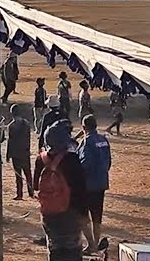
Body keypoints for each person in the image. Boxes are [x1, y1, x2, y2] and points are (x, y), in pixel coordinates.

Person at [35, 120, 88, 261]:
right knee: (72, 251)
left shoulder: (40, 159)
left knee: (55, 249)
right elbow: (81, 189)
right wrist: (83, 214)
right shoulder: (72, 159)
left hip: (48, 213)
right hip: (70, 212)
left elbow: (35, 186)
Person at [77, 114, 111, 254]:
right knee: (97, 216)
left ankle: (91, 244)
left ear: (84, 128)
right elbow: (109, 161)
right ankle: (96, 244)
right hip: (101, 182)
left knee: (83, 216)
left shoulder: (87, 142)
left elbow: (85, 164)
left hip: (88, 184)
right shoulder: (103, 140)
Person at [6, 104, 35, 200]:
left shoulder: (11, 126)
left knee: (18, 175)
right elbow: (28, 138)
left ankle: (19, 194)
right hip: (25, 152)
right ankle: (31, 192)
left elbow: (10, 141)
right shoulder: (26, 123)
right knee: (28, 173)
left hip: (16, 153)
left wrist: (8, 154)